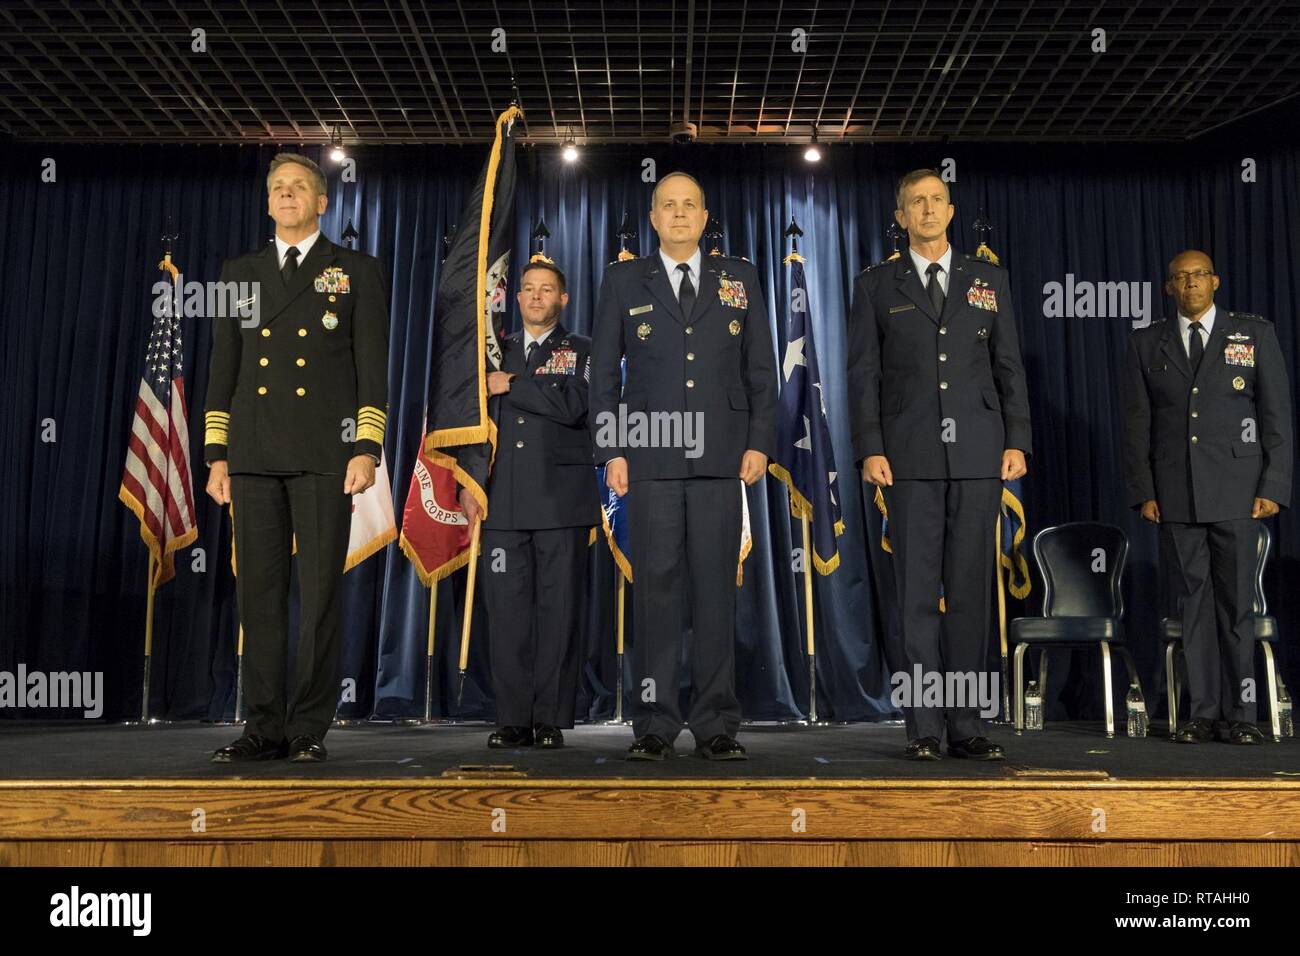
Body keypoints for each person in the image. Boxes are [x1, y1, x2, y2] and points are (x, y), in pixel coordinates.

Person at [204, 152, 389, 763]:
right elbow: (224, 369)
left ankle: (309, 726)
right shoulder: (240, 272)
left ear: (322, 202)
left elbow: (371, 369)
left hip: (324, 453)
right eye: (277, 188)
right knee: (258, 598)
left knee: (318, 601)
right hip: (253, 452)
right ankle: (262, 726)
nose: (287, 196)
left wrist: (366, 446)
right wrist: (216, 455)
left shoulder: (355, 270)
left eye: (299, 188)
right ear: (267, 202)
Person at [589, 172, 778, 761]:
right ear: (653, 218)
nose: (678, 214)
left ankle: (718, 723)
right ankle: (654, 723)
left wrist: (759, 442)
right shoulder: (624, 279)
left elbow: (761, 371)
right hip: (650, 457)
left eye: (688, 205)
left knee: (718, 594)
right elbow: (601, 376)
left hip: (723, 457)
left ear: (704, 217)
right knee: (657, 596)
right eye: (667, 205)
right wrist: (611, 450)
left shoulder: (740, 277)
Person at [847, 168, 1031, 761]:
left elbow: (1009, 368)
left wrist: (1016, 440)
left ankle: (968, 724)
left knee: (973, 594)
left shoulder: (988, 279)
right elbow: (863, 375)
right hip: (908, 457)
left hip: (979, 452)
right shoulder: (877, 285)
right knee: (918, 598)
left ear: (951, 211)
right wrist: (871, 446)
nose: (927, 210)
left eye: (936, 200)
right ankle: (923, 725)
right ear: (899, 218)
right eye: (915, 203)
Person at [1122, 249, 1293, 744]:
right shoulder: (1145, 343)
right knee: (1193, 606)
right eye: (1179, 278)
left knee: (1236, 608)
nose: (1190, 284)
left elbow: (1276, 418)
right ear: (1168, 287)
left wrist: (1273, 486)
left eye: (1198, 275)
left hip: (1240, 494)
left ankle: (1241, 714)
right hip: (1176, 496)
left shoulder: (1253, 334)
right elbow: (1137, 427)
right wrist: (1144, 491)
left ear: (1215, 281)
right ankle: (1201, 713)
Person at [458, 261, 599, 749]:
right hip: (502, 502)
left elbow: (576, 404)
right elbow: (472, 423)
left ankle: (550, 719)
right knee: (508, 614)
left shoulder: (582, 349)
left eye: (547, 291)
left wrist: (513, 385)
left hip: (561, 502)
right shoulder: (494, 351)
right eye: (528, 290)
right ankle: (513, 717)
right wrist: (469, 483)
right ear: (515, 298)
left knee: (558, 613)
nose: (536, 297)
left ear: (564, 299)